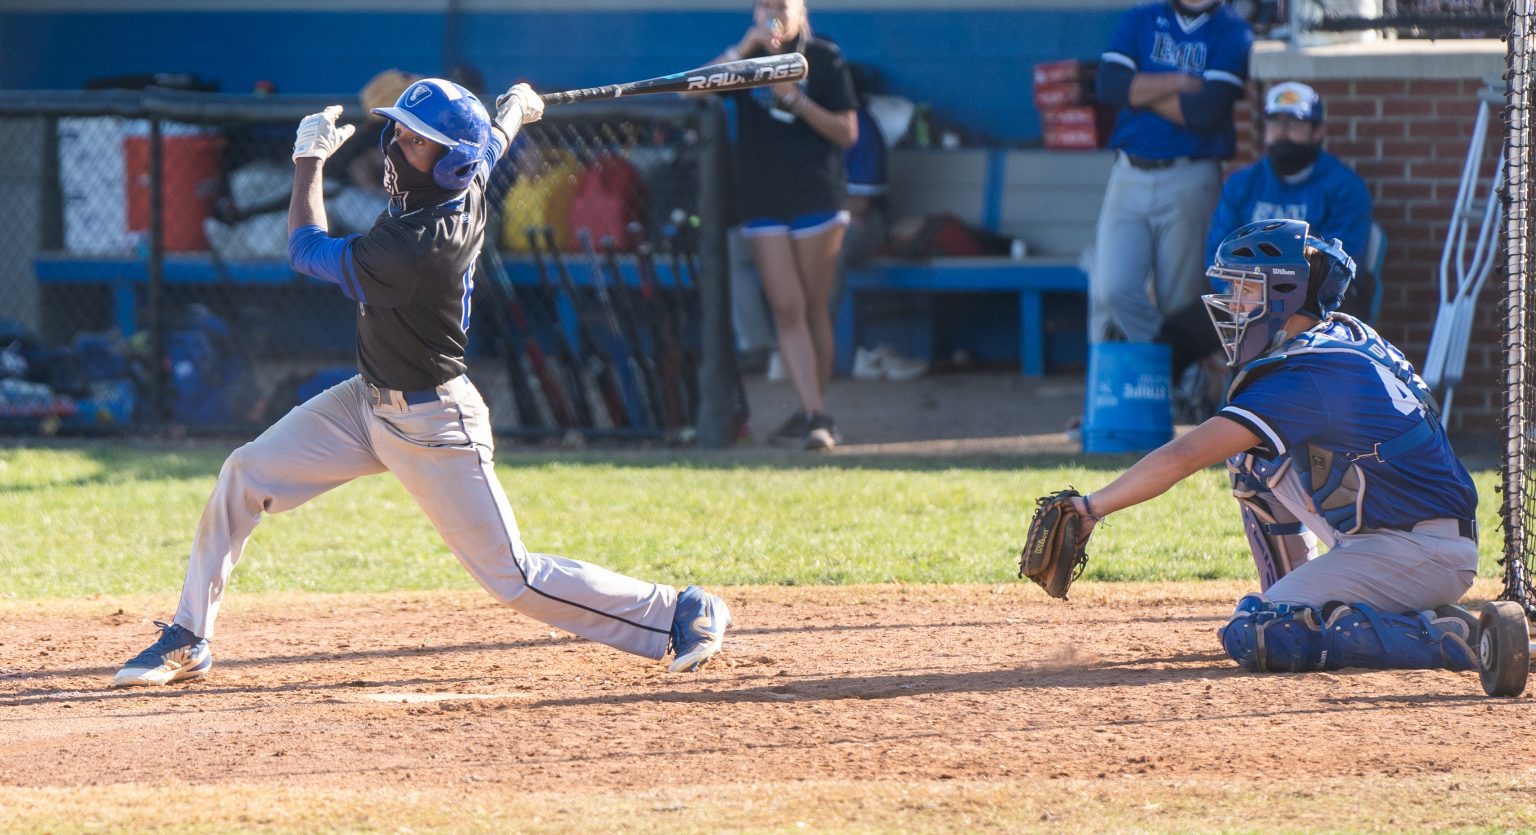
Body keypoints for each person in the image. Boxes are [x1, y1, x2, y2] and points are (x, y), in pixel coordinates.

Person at [112, 78, 731, 687]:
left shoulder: (413, 247)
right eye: (398, 133)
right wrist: (517, 107)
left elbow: (304, 248)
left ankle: (678, 610)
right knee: (243, 474)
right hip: (365, 404)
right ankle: (190, 635)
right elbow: (492, 142)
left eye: (413, 142)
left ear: (448, 163)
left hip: (433, 421)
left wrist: (308, 159)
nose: (393, 148)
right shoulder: (465, 178)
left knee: (511, 578)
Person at [1059, 219, 1481, 675]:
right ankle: (1300, 596)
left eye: (1245, 289)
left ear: (1285, 292)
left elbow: (1184, 456)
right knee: (1250, 458)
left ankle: (1446, 639)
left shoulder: (1308, 375)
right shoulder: (1337, 334)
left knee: (1257, 632)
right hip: (1392, 528)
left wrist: (1090, 508)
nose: (1233, 302)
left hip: (1418, 548)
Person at [1158, 80, 1376, 417]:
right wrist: (1243, 293)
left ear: (1318, 132)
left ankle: (1266, 420)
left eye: (1294, 125)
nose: (1282, 134)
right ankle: (1164, 420)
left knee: (1266, 338)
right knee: (1172, 336)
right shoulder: (1243, 184)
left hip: (1311, 309)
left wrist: (1280, 299)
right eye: (1275, 124)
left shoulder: (1346, 188)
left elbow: (1341, 267)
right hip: (1243, 301)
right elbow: (1217, 253)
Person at [709, 0, 859, 450]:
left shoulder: (824, 57)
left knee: (814, 308)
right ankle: (815, 414)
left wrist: (794, 98)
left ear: (800, 10)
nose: (773, 13)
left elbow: (847, 131)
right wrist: (744, 50)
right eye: (764, 6)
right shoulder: (746, 61)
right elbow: (689, 91)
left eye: (781, 5)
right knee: (787, 309)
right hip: (763, 200)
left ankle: (814, 408)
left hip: (815, 195)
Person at [1090, 0, 1254, 344]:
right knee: (1113, 290)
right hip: (1128, 172)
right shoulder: (1140, 17)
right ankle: (1171, 363)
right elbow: (1109, 86)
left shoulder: (1231, 30)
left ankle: (1177, 387)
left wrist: (1140, 92)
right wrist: (1179, 80)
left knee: (1179, 301)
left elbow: (1206, 112)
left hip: (1190, 176)